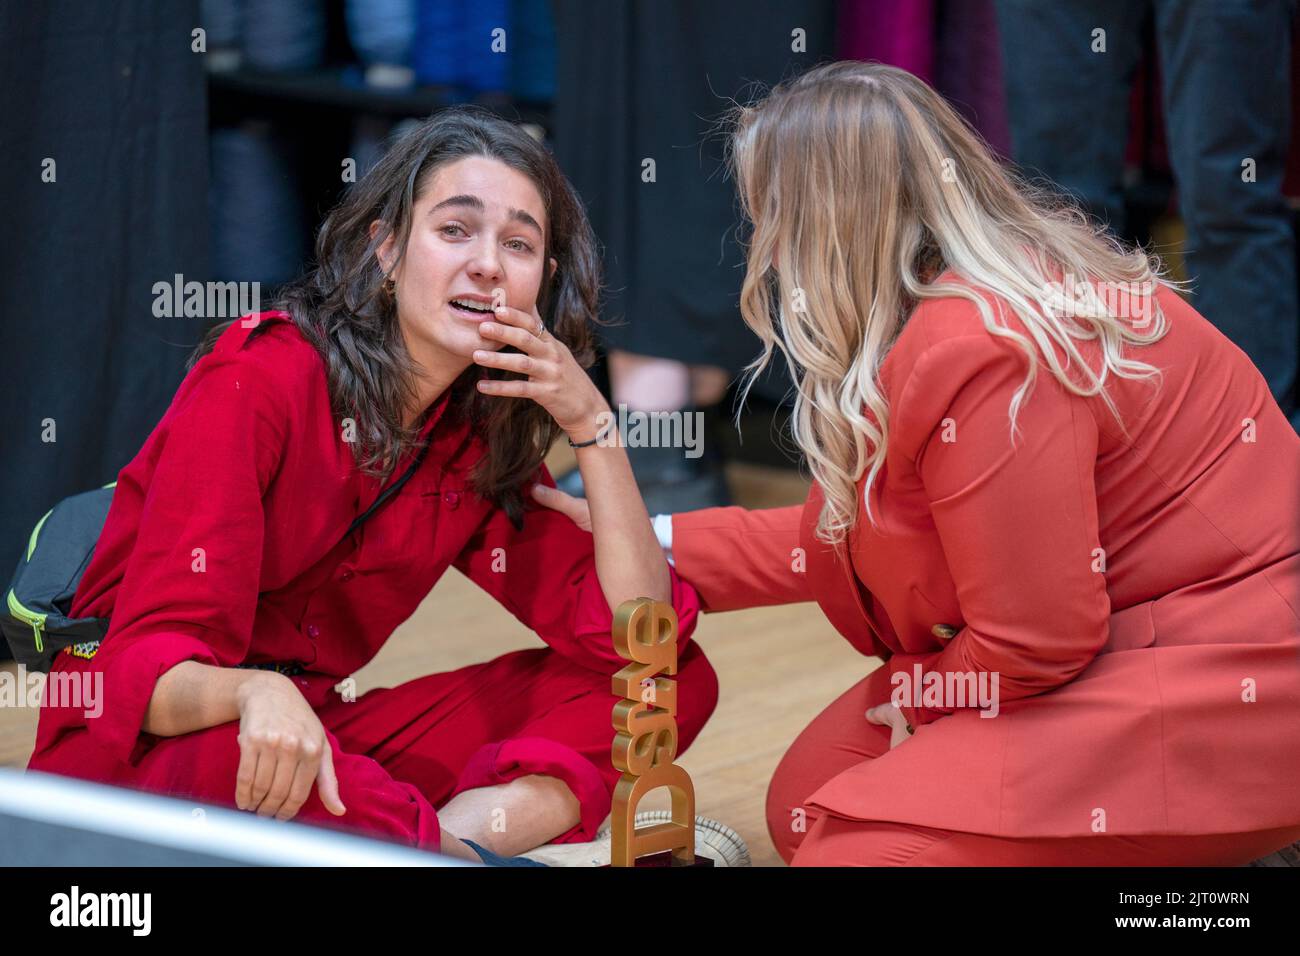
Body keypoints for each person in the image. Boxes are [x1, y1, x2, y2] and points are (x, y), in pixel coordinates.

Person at [537, 62, 1300, 865]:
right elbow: (863, 532)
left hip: (1222, 666)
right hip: (1127, 631)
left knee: (850, 852)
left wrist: (932, 699)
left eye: (767, 215)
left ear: (826, 224)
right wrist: (644, 537)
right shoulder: (970, 296)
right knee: (805, 804)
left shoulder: (981, 346)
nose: (762, 246)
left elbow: (1036, 639)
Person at [26, 108, 721, 865]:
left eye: (518, 244)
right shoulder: (256, 379)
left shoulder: (476, 429)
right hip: (155, 750)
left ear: (542, 282)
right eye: (455, 230)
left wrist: (593, 424)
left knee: (666, 686)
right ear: (386, 249)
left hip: (313, 739)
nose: (488, 265)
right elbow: (142, 678)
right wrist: (254, 692)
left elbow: (644, 640)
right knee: (258, 764)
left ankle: (447, 846)